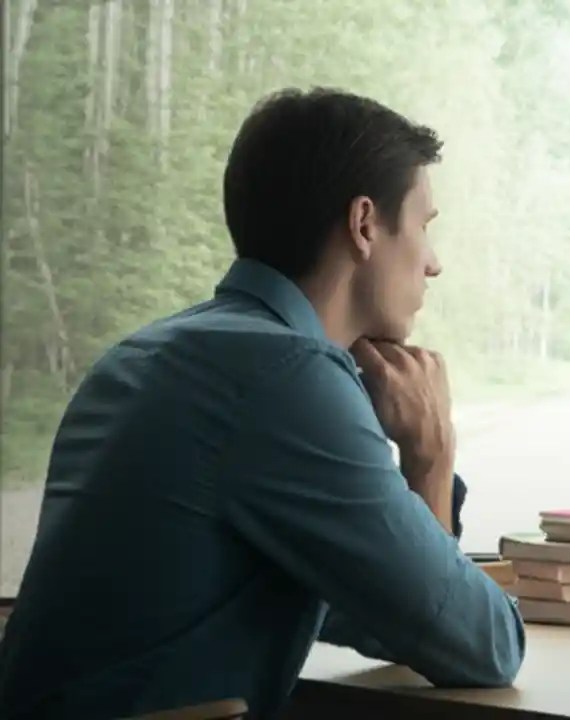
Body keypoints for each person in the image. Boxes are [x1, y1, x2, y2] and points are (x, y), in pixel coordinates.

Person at [0, 87, 525, 719]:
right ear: (364, 225)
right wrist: (431, 457)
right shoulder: (290, 379)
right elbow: (481, 644)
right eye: (423, 227)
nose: (433, 264)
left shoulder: (144, 354)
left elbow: (388, 620)